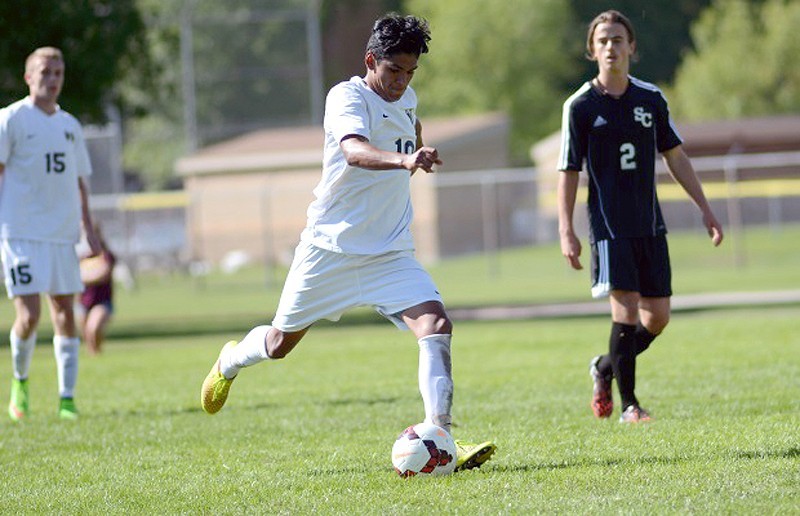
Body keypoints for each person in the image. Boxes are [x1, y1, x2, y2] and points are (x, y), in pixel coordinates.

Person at [201, 13, 496, 470]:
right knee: (279, 343)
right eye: (394, 70)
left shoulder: (407, 98)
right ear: (370, 61)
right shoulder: (346, 97)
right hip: (329, 250)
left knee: (436, 325)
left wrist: (417, 148)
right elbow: (353, 152)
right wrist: (405, 161)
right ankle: (230, 362)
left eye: (410, 72)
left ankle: (442, 438)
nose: (402, 81)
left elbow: (410, 129)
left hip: (389, 253)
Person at [557, 10, 724, 423]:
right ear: (592, 50)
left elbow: (675, 156)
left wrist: (705, 208)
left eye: (618, 39)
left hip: (650, 224)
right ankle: (630, 405)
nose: (610, 47)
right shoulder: (580, 106)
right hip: (609, 228)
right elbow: (569, 170)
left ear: (631, 46)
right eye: (602, 40)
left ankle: (604, 367)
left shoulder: (651, 99)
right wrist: (566, 229)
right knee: (626, 312)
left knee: (658, 317)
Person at [0, 47, 101, 421]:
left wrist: (88, 228)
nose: (53, 79)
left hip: (61, 233)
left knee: (64, 312)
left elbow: (80, 182)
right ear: (29, 77)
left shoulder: (70, 126)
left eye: (58, 72)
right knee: (29, 315)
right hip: (21, 232)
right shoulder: (10, 119)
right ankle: (20, 382)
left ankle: (67, 400)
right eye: (46, 72)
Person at [78, 223, 116, 356]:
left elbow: (104, 275)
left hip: (102, 301)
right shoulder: (82, 258)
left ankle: (97, 354)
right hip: (84, 302)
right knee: (87, 335)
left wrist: (83, 278)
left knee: (93, 328)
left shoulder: (106, 256)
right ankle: (94, 357)